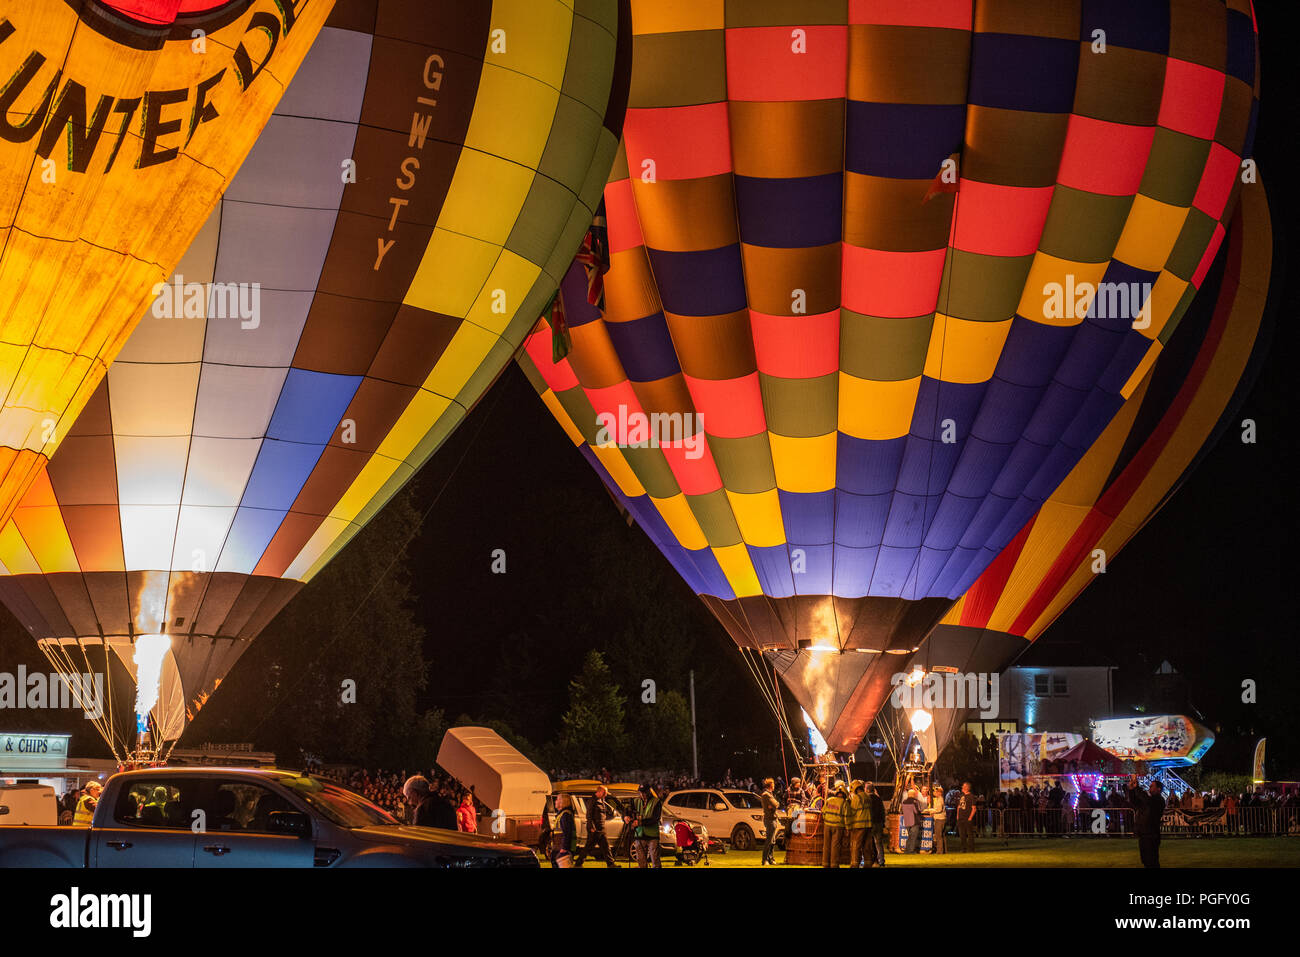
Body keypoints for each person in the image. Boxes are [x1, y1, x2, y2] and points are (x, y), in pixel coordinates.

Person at [575, 786, 618, 867]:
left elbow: (603, 814)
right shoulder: (592, 800)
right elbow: (589, 815)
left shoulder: (601, 800)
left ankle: (611, 864)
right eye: (604, 792)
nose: (606, 794)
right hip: (594, 829)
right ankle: (578, 863)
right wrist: (591, 827)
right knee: (588, 847)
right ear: (599, 792)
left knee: (606, 847)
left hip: (601, 828)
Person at [1128, 775, 1166, 868]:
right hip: (1144, 834)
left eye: (1152, 786)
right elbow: (1135, 802)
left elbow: (1146, 800)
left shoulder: (1159, 800)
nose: (1149, 788)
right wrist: (1131, 790)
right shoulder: (1149, 801)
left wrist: (1137, 787)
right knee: (1145, 860)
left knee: (1151, 861)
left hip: (1151, 835)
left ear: (1159, 789)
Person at [630, 783, 662, 868]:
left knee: (655, 859)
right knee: (641, 860)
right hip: (639, 834)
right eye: (640, 792)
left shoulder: (656, 802)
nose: (642, 794)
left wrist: (640, 823)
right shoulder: (635, 801)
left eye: (644, 792)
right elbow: (628, 811)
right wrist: (625, 816)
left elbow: (655, 819)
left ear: (649, 792)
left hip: (652, 835)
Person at [821, 780, 848, 867]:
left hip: (827, 825)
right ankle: (834, 864)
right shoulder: (844, 803)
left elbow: (823, 812)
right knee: (835, 846)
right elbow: (846, 816)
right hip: (838, 826)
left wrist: (826, 820)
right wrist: (847, 828)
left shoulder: (829, 800)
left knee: (826, 845)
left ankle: (825, 863)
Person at [845, 780, 871, 867]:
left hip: (858, 826)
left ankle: (854, 864)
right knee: (867, 846)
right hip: (868, 825)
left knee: (856, 846)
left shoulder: (857, 798)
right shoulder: (867, 797)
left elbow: (852, 812)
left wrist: (848, 826)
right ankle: (868, 863)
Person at [760, 777, 781, 865]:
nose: (774, 786)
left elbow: (775, 804)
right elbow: (776, 804)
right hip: (770, 819)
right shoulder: (766, 795)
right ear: (771, 785)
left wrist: (774, 805)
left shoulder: (770, 794)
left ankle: (770, 858)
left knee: (772, 841)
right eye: (773, 784)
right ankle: (764, 859)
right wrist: (774, 805)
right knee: (769, 840)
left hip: (773, 819)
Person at [552, 793, 577, 868]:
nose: (555, 802)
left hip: (562, 847)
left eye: (557, 799)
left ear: (562, 802)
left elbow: (567, 832)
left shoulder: (565, 815)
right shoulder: (563, 814)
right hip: (559, 845)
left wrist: (564, 848)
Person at [868, 783, 887, 866]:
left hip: (870, 823)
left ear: (867, 790)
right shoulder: (878, 799)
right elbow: (883, 811)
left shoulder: (866, 799)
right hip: (879, 823)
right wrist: (883, 822)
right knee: (879, 843)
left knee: (868, 843)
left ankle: (869, 860)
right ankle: (881, 861)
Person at [900, 787, 923, 854]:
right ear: (913, 794)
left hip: (907, 821)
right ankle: (911, 850)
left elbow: (902, 811)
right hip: (914, 821)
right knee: (913, 837)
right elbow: (917, 811)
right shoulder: (915, 802)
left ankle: (907, 850)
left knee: (909, 836)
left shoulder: (904, 802)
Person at [956, 781, 977, 851]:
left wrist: (970, 817)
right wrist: (957, 816)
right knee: (962, 834)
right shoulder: (961, 796)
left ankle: (971, 848)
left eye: (963, 786)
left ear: (967, 787)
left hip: (967, 818)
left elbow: (974, 808)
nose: (962, 787)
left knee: (969, 834)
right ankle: (963, 848)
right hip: (961, 818)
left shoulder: (971, 796)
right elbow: (959, 806)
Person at [928, 783, 946, 854]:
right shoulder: (938, 799)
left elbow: (938, 810)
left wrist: (931, 811)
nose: (934, 793)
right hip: (940, 818)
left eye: (935, 791)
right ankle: (943, 850)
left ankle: (939, 851)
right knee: (942, 835)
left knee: (938, 836)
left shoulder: (940, 799)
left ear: (939, 792)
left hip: (939, 819)